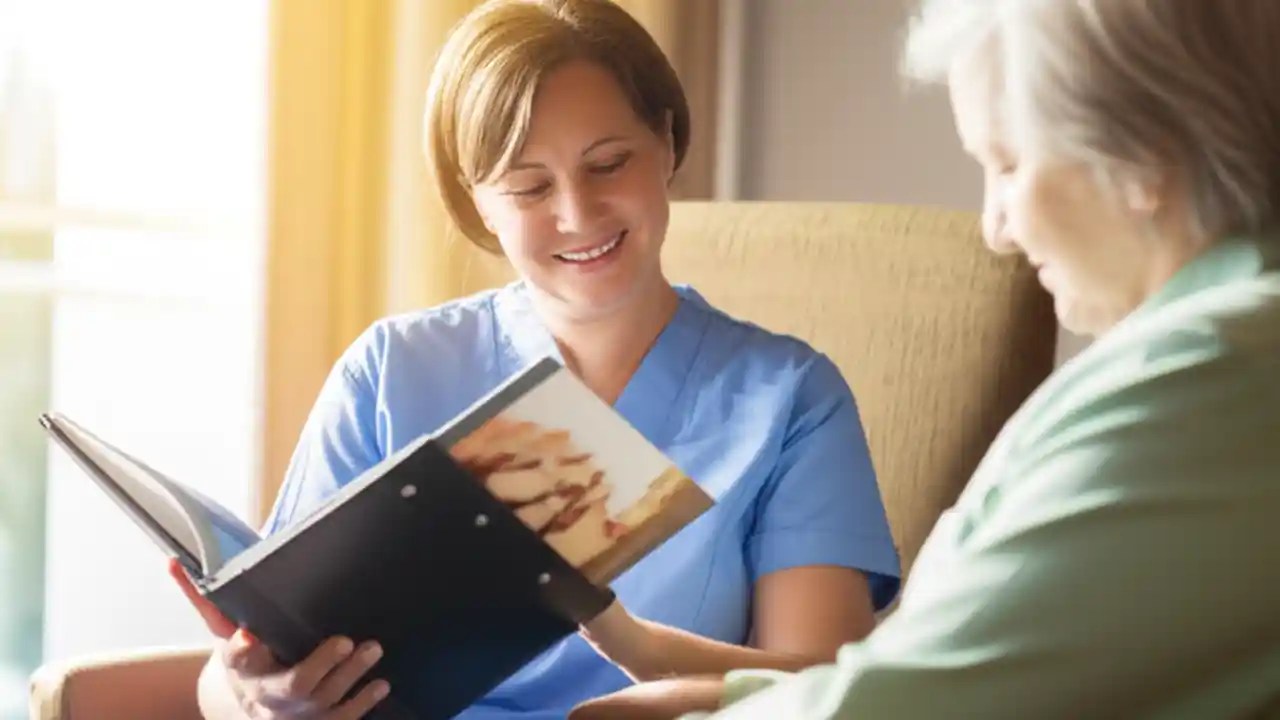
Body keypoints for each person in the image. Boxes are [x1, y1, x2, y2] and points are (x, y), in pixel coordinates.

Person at [171, 0, 901, 718]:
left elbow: (826, 693)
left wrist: (643, 650)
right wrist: (253, 698)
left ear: (668, 145)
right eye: (528, 187)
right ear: (479, 203)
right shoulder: (391, 373)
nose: (578, 215)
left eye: (609, 163)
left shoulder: (789, 401)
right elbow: (243, 666)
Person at [572, 0, 1280, 717]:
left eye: (1008, 165)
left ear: (1144, 152)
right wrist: (728, 693)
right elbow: (976, 682)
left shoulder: (1208, 382)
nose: (996, 229)